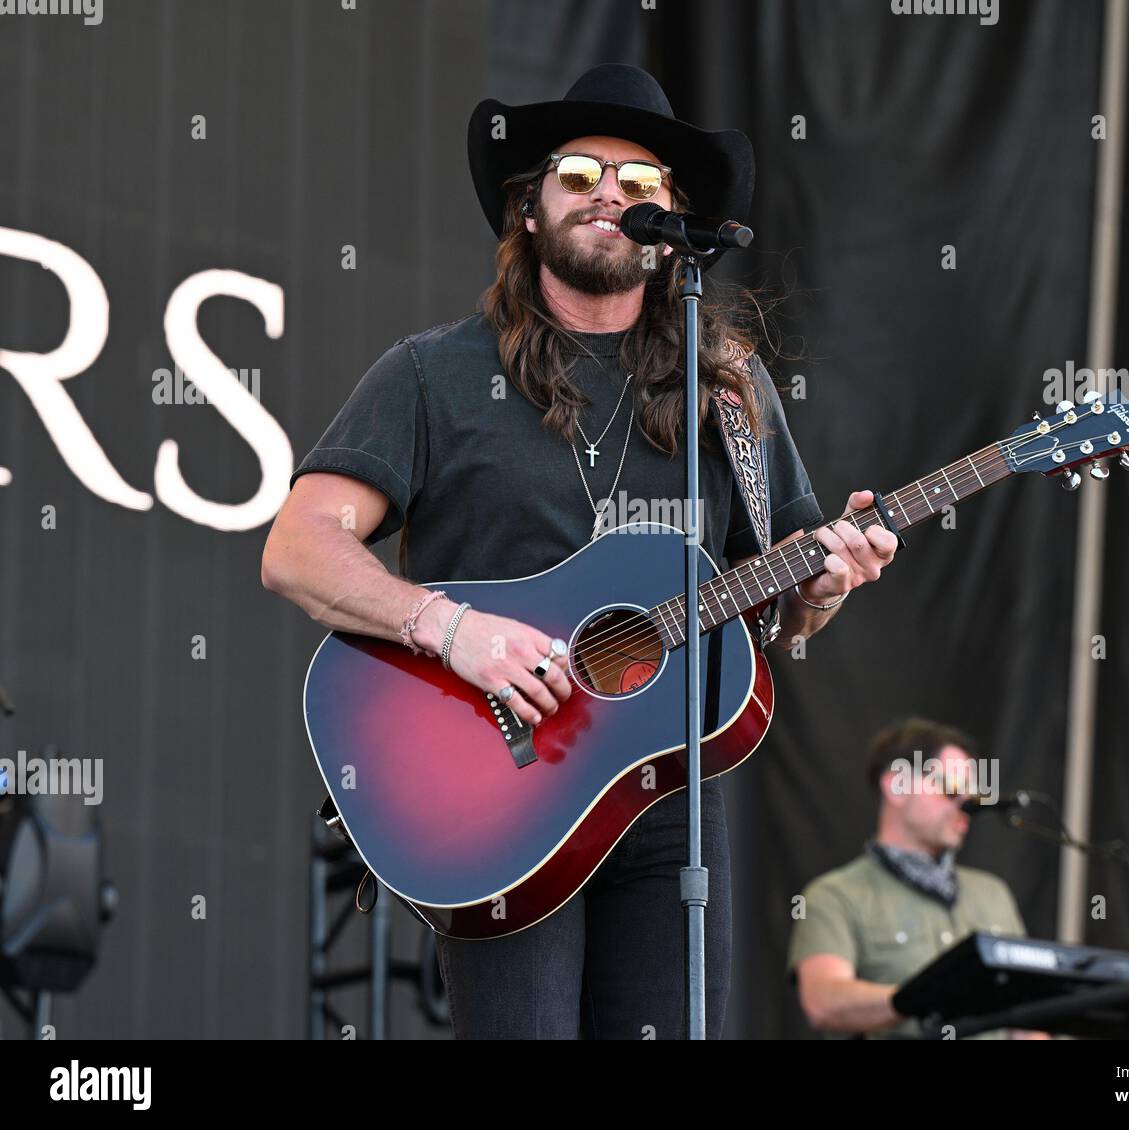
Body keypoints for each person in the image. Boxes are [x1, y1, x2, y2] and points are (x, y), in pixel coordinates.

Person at [262, 63, 898, 1039]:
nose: (611, 192)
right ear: (527, 210)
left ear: (673, 222)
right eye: (579, 172)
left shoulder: (729, 393)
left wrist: (832, 581)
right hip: (503, 795)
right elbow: (299, 548)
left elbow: (785, 595)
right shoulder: (434, 372)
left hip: (671, 801)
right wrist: (453, 627)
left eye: (640, 182)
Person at [789, 718, 1048, 1039]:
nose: (967, 804)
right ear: (897, 784)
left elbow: (1026, 1022)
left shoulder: (993, 893)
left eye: (972, 792)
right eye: (952, 788)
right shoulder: (834, 895)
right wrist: (926, 997)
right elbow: (823, 1002)